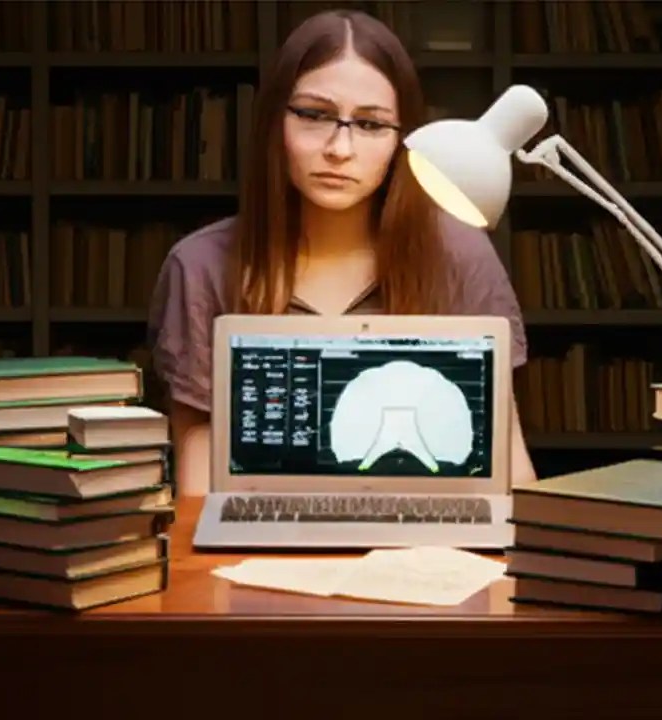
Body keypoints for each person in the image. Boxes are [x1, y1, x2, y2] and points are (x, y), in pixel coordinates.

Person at [147, 9, 535, 497]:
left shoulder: (460, 254)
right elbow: (198, 479)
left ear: (403, 139)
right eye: (313, 115)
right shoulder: (201, 265)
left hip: (425, 549)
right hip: (262, 544)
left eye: (371, 125)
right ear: (274, 122)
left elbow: (509, 462)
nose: (339, 148)